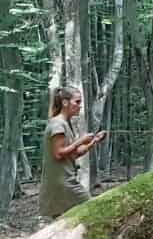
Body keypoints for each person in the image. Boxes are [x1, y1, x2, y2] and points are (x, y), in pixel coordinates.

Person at [40, 86, 106, 220]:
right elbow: (58, 153)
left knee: (62, 225)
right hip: (63, 183)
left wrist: (93, 142)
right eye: (77, 101)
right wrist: (80, 140)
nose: (80, 106)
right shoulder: (58, 124)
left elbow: (73, 154)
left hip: (62, 181)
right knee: (93, 209)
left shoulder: (64, 124)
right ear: (65, 102)